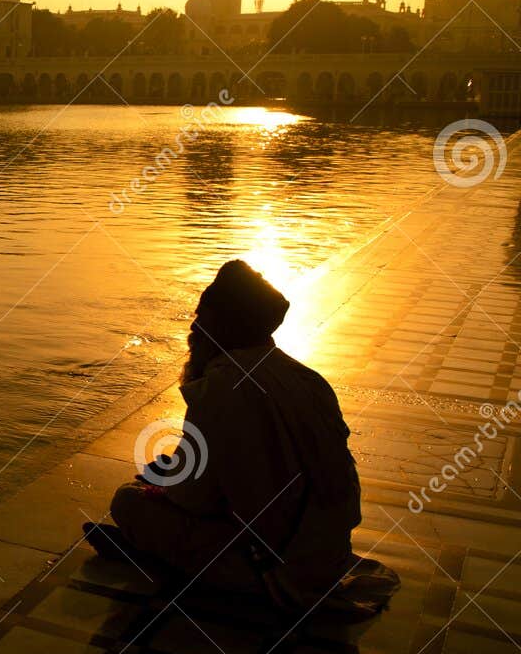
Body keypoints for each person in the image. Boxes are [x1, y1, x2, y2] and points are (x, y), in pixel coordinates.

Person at [85, 259, 368, 610]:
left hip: (273, 568)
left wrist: (163, 483)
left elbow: (195, 500)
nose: (194, 328)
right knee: (165, 480)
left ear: (223, 327)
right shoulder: (309, 379)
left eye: (202, 319)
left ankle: (161, 556)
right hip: (330, 556)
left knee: (128, 500)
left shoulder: (221, 387)